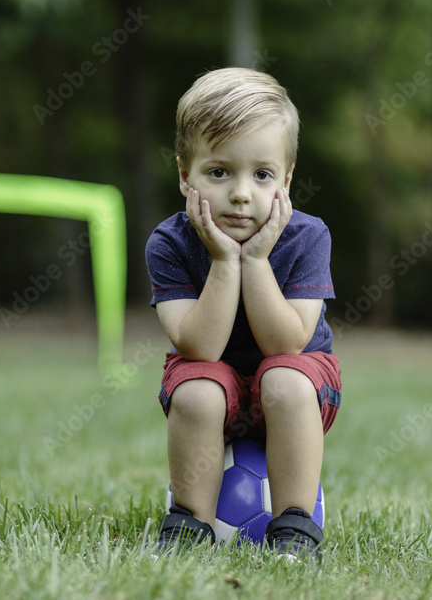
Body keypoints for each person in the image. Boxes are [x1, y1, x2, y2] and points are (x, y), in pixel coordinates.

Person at [145, 67, 342, 560]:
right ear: (184, 173)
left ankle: (295, 525)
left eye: (262, 175)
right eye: (219, 172)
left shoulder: (307, 237)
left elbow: (288, 344)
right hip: (212, 374)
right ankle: (190, 523)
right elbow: (199, 347)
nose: (240, 193)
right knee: (195, 390)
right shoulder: (169, 243)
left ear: (287, 180)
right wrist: (221, 261)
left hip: (296, 377)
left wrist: (254, 260)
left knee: (285, 379)